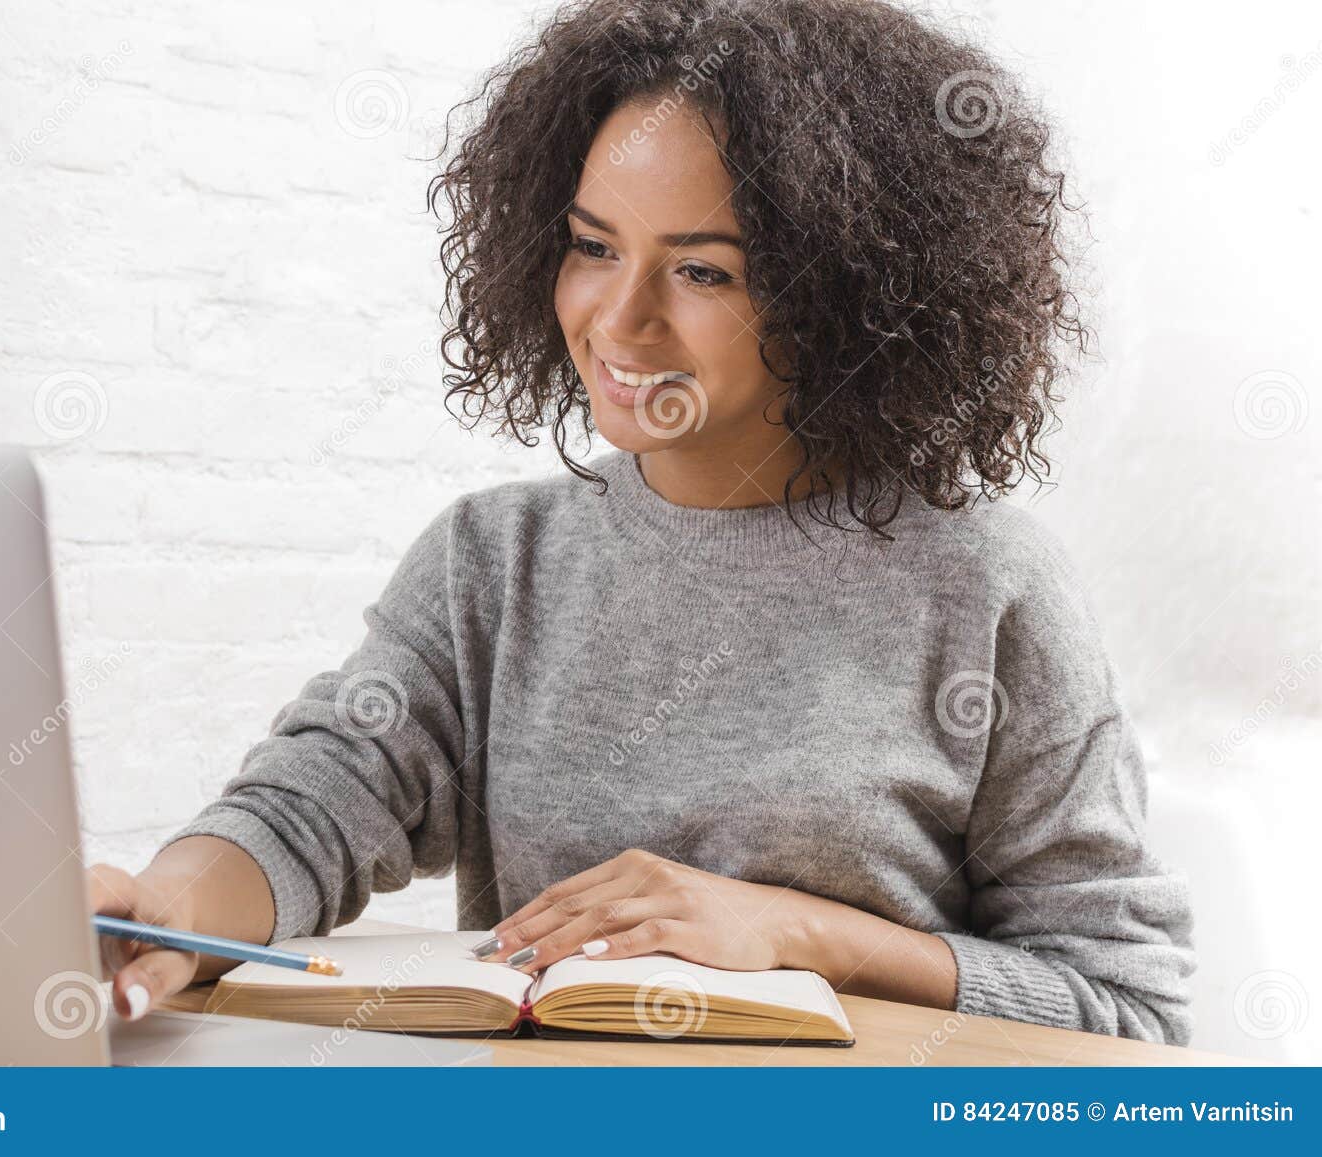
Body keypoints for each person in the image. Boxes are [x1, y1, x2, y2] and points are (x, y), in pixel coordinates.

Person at [89, 0, 1196, 1045]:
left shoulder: (984, 583)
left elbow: (1123, 1003)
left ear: (846, 290)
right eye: (592, 245)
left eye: (703, 269)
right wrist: (154, 912)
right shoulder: (494, 562)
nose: (619, 320)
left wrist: (800, 932)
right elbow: (309, 806)